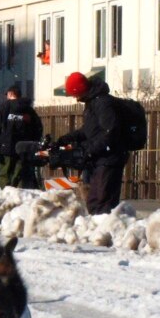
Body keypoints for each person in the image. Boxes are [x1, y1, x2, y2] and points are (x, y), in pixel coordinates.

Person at [57, 72, 128, 215]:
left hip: (109, 158)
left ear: (81, 90)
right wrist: (67, 138)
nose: (75, 99)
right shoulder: (92, 103)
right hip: (100, 157)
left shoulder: (102, 103)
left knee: (101, 201)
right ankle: (99, 228)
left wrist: (89, 150)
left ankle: (105, 231)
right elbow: (90, 130)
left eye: (75, 94)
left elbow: (110, 132)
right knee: (94, 200)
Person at [0, 88, 43, 189]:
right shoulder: (28, 109)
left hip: (6, 147)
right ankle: (16, 192)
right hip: (23, 148)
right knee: (19, 173)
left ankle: (5, 195)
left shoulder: (4, 107)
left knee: (4, 174)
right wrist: (33, 143)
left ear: (10, 94)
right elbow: (38, 127)